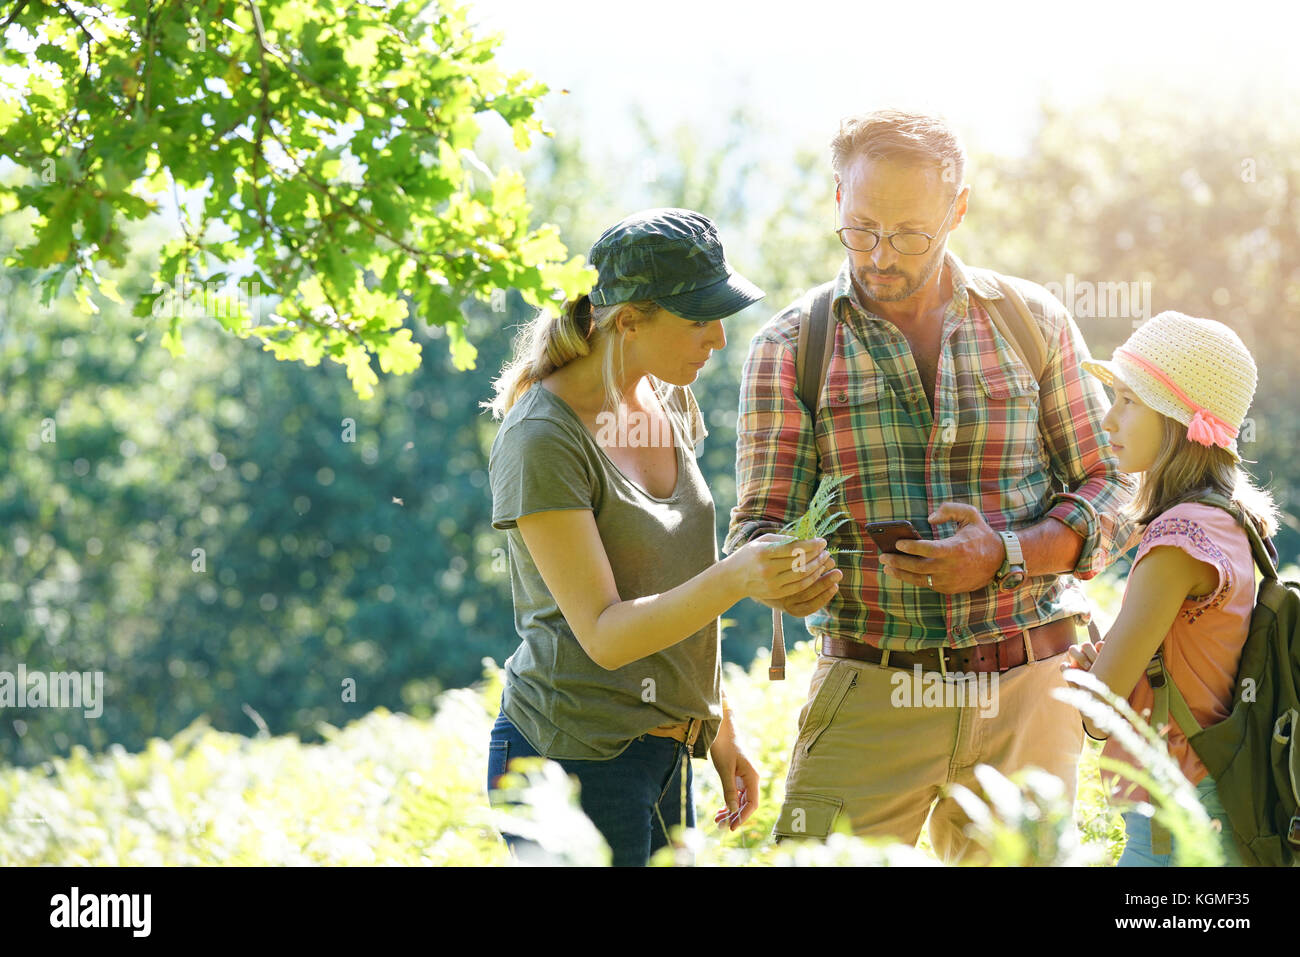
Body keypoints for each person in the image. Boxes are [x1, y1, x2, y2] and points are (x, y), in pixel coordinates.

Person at [723, 109, 1137, 864]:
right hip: (872, 685)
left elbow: (1113, 489)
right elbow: (757, 525)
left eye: (911, 233)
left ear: (959, 209)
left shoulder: (1031, 321)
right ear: (836, 199)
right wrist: (789, 575)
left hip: (1029, 690)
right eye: (862, 228)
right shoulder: (790, 347)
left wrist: (1008, 552)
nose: (881, 255)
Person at [482, 208, 841, 866]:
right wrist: (738, 575)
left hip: (667, 749)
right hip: (573, 757)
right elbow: (607, 632)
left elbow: (673, 580)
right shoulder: (543, 438)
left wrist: (716, 721)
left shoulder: (666, 397)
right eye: (699, 318)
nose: (718, 338)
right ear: (628, 321)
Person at [1062, 311, 1278, 866]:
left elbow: (1100, 709)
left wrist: (1084, 673)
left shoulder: (1176, 540)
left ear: (1178, 421)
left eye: (1129, 401)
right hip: (1220, 794)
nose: (1108, 420)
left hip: (1170, 809)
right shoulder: (1230, 523)